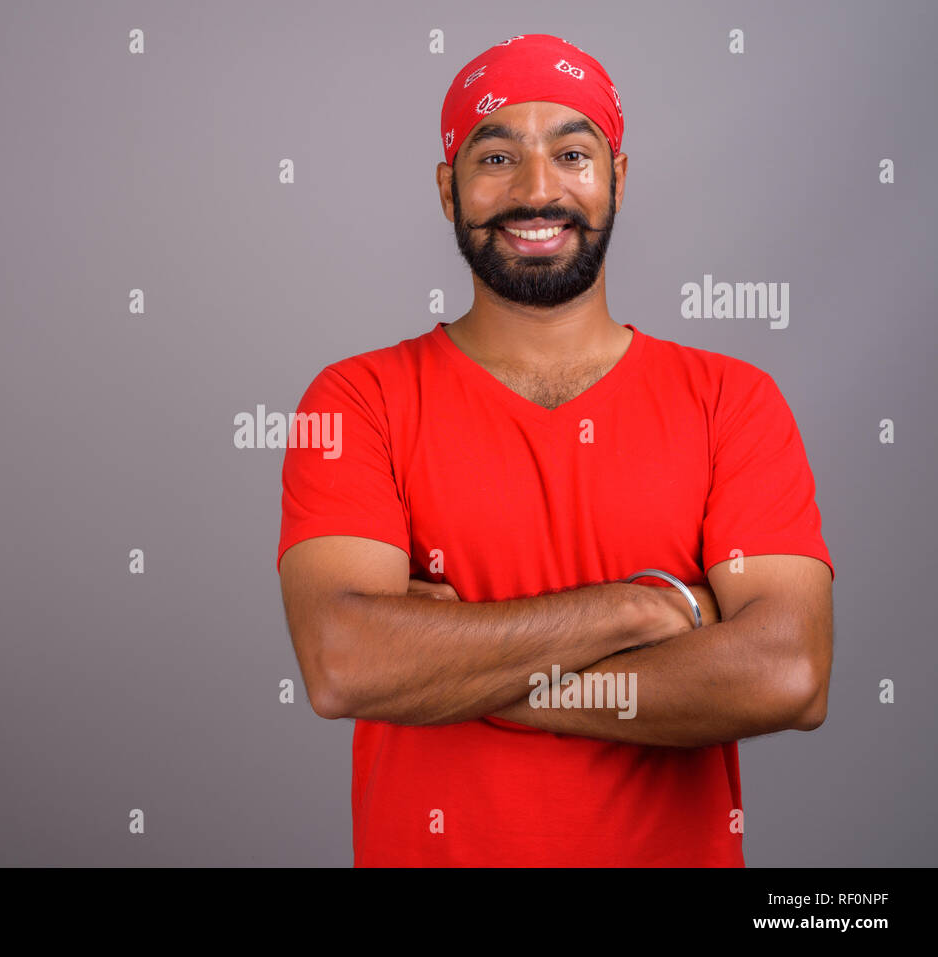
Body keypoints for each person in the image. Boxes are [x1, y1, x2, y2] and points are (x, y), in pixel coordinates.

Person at [275, 34, 834, 867]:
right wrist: (643, 608)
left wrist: (456, 671)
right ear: (447, 188)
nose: (538, 191)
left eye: (573, 153)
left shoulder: (731, 401)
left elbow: (787, 671)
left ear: (618, 178)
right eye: (496, 155)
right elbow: (346, 664)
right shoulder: (356, 401)